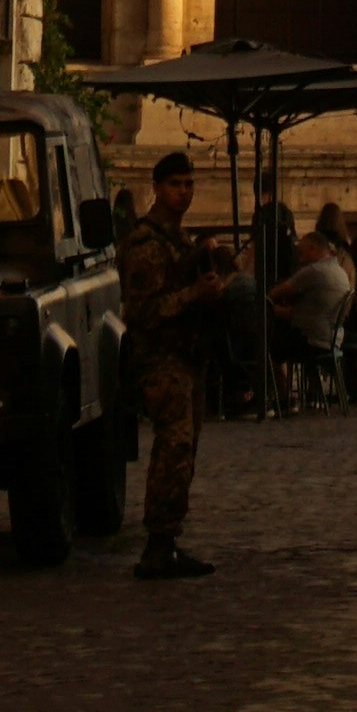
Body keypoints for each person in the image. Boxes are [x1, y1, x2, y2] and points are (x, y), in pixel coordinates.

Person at [115, 144, 239, 573]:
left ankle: (167, 541)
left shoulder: (178, 240)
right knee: (173, 448)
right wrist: (193, 295)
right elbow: (142, 311)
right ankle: (158, 543)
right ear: (156, 188)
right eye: (175, 184)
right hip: (161, 360)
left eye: (189, 184)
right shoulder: (146, 244)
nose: (184, 192)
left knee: (184, 452)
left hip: (187, 358)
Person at [271, 206, 356, 409]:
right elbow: (310, 311)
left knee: (267, 346)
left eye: (302, 253)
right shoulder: (339, 270)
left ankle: (282, 399)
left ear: (313, 249)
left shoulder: (314, 271)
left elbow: (275, 293)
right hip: (333, 337)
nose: (300, 259)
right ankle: (309, 395)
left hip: (313, 340)